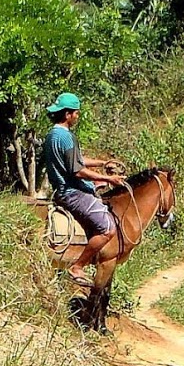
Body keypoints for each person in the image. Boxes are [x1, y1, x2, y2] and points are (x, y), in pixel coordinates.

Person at [41, 92, 126, 286]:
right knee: (107, 229)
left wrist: (103, 162)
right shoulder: (66, 137)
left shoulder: (53, 135)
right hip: (72, 192)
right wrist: (108, 178)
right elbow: (77, 170)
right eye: (76, 114)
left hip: (64, 190)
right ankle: (78, 266)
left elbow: (77, 160)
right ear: (68, 114)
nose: (77, 117)